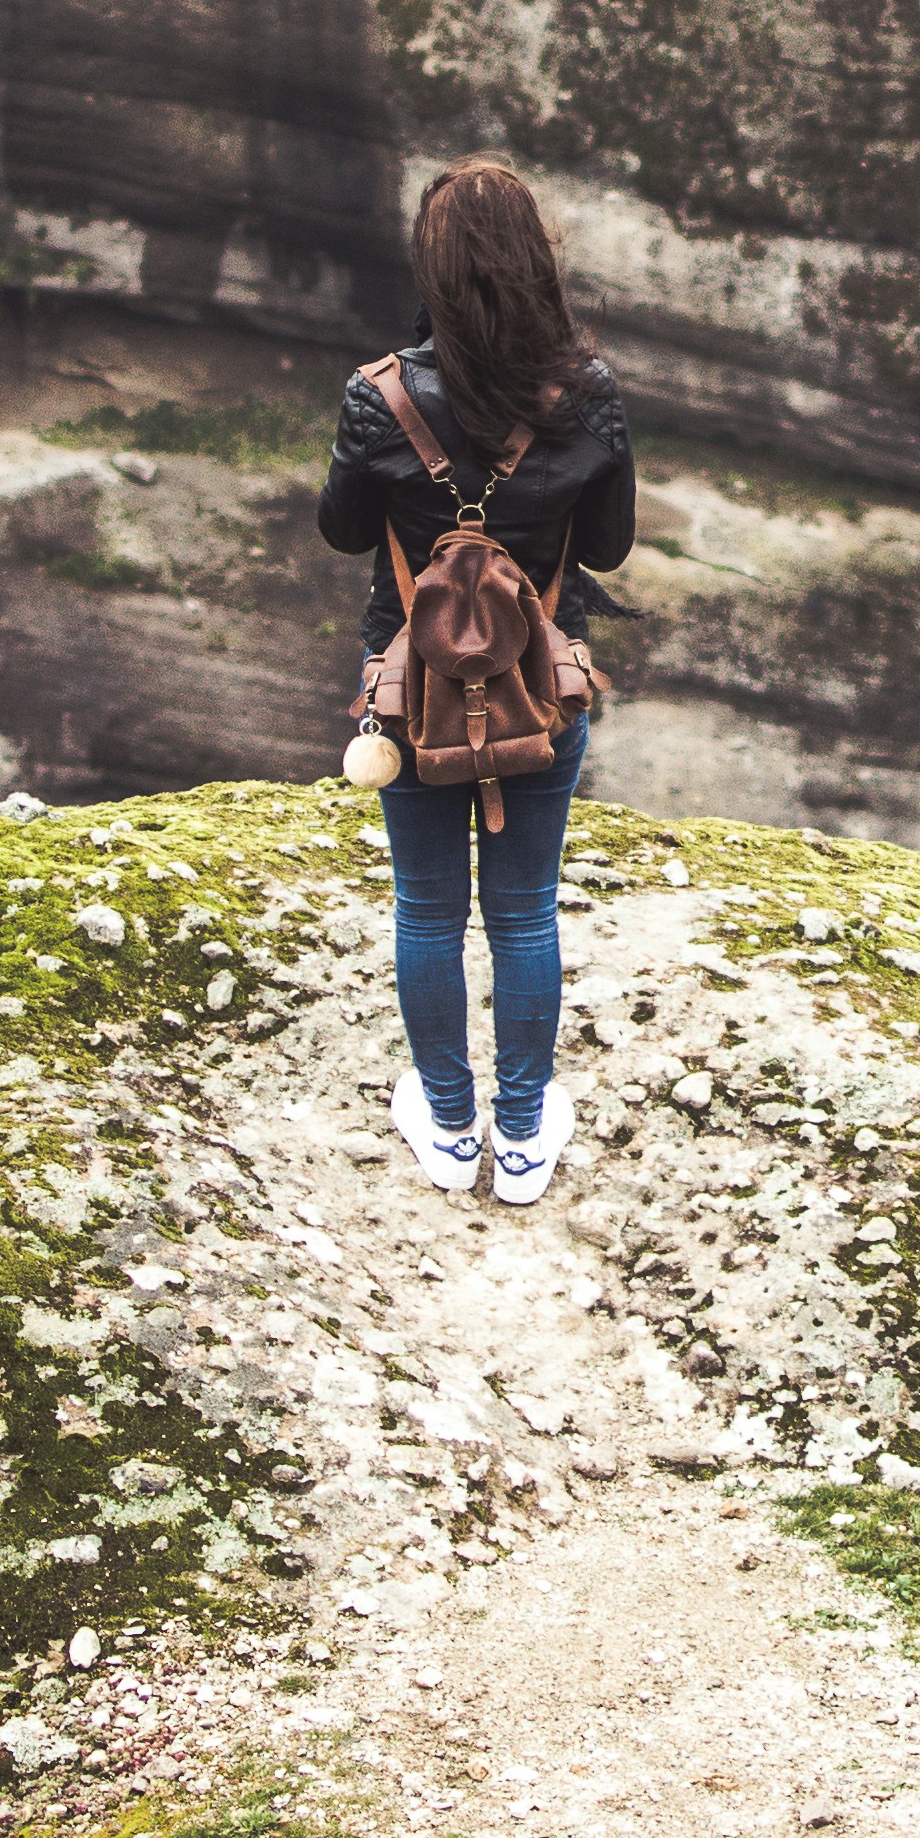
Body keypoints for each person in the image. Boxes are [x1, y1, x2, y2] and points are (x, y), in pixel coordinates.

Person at [320, 158, 633, 1207]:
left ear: (436, 268)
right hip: (544, 690)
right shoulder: (590, 395)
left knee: (425, 909)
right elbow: (612, 546)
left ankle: (450, 1129)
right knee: (525, 912)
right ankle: (528, 1132)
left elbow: (343, 530)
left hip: (407, 697)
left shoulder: (380, 397)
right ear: (535, 261)